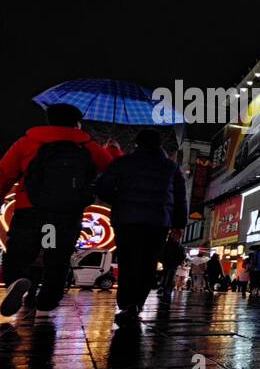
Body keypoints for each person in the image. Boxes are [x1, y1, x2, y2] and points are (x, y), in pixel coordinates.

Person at [0, 103, 118, 318]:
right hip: (65, 214)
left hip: (30, 209)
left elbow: (4, 174)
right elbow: (112, 170)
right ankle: (47, 301)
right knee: (57, 256)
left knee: (19, 253)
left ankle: (16, 280)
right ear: (77, 122)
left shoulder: (28, 142)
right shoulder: (87, 146)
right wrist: (112, 150)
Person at [88, 129, 188, 326]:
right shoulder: (171, 167)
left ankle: (126, 303)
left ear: (137, 144)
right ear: (159, 145)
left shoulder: (122, 163)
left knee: (128, 261)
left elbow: (102, 188)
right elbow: (180, 198)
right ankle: (136, 304)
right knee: (147, 261)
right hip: (158, 222)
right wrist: (178, 224)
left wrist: (118, 199)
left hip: (126, 219)